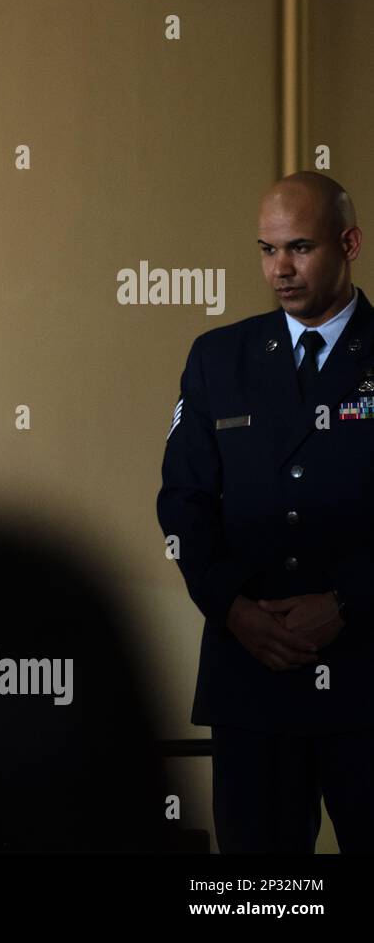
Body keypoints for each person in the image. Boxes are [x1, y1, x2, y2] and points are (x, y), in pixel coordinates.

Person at [158, 171, 374, 852]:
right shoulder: (219, 358)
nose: (279, 270)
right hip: (252, 675)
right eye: (267, 249)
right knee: (260, 894)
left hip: (367, 673)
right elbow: (183, 501)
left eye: (300, 249)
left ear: (349, 244)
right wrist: (233, 610)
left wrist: (346, 601)